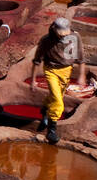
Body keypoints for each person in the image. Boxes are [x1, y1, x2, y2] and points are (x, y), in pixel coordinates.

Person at [30, 16, 86, 144]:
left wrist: (81, 75)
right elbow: (37, 60)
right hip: (51, 70)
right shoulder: (46, 40)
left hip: (67, 70)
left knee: (57, 96)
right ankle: (51, 131)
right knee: (58, 101)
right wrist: (33, 79)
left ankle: (45, 109)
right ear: (54, 29)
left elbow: (81, 58)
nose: (62, 37)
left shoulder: (75, 37)